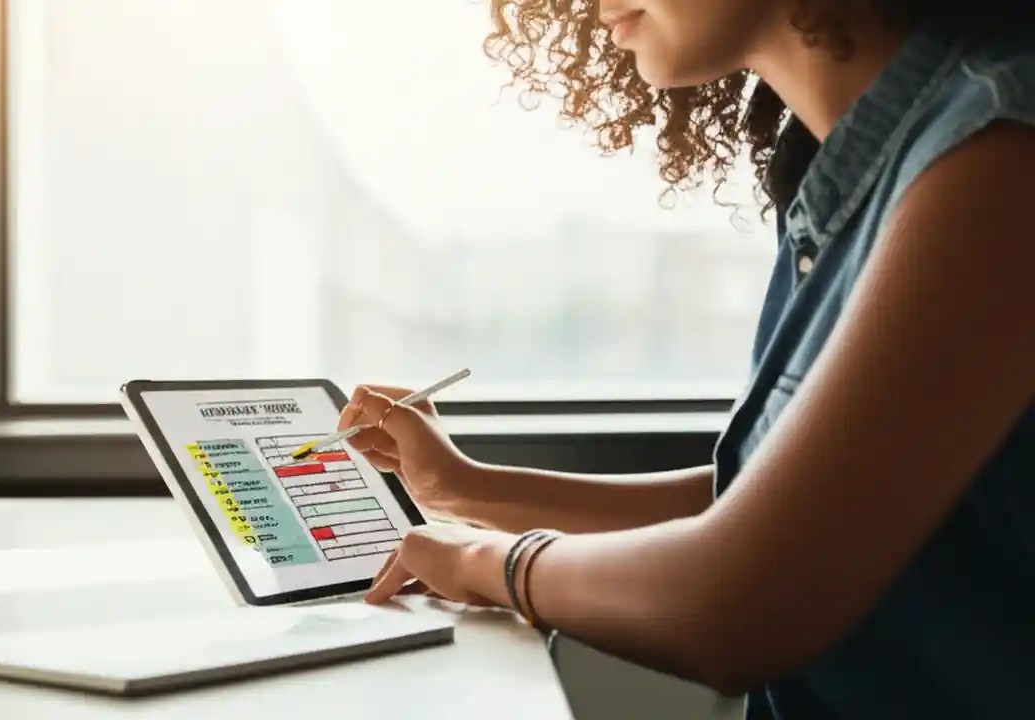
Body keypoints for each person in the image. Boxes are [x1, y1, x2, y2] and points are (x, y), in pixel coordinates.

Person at [335, 1, 1035, 716]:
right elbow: (769, 502)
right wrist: (462, 488)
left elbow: (747, 598)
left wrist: (485, 563)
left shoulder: (1001, 154)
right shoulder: (848, 174)